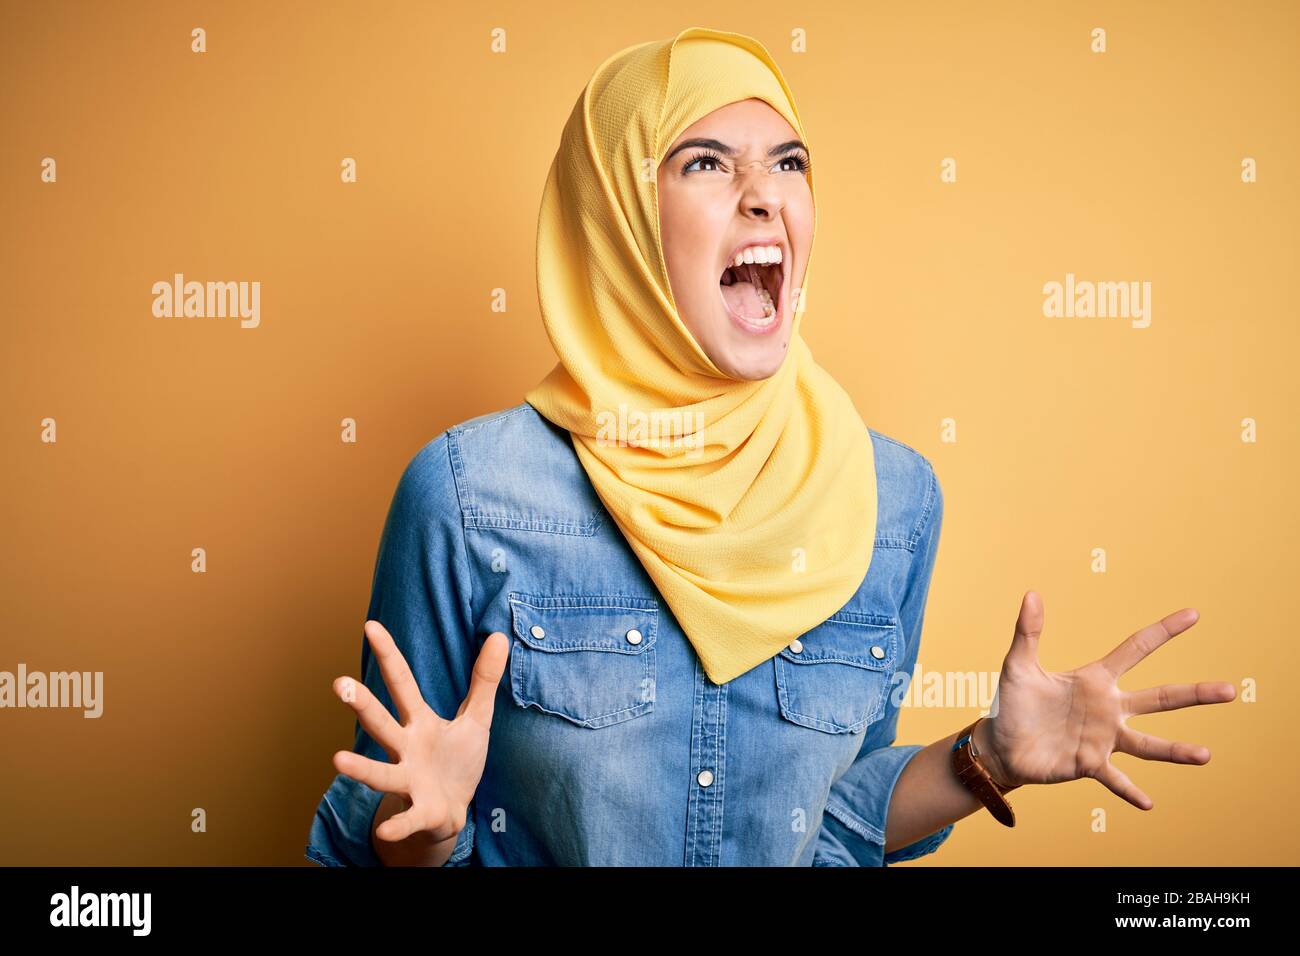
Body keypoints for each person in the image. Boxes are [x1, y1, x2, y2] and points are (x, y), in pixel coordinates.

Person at [305, 27, 1235, 867]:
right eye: (706, 164)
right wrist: (428, 836)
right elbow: (378, 835)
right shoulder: (471, 492)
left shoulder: (892, 497)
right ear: (619, 218)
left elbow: (830, 823)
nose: (764, 197)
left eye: (788, 164)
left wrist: (988, 756)